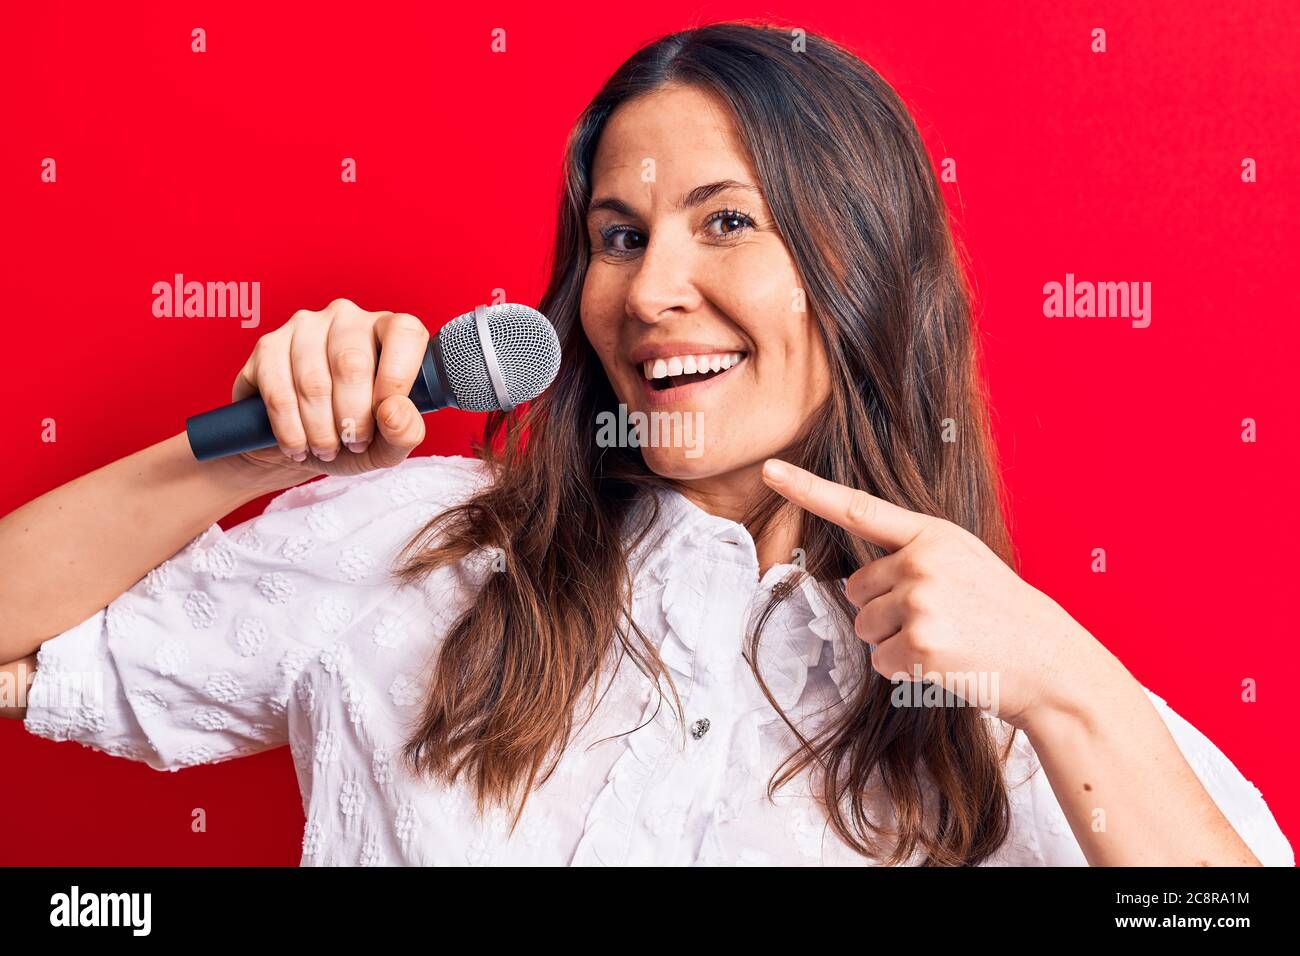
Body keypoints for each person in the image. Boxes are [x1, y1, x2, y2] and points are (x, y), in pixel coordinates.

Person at [1, 21, 1292, 867]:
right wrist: (255, 453)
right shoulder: (413, 545)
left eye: (728, 223)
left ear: (871, 272)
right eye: (619, 237)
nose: (648, 290)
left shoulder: (1002, 674)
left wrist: (1072, 690)